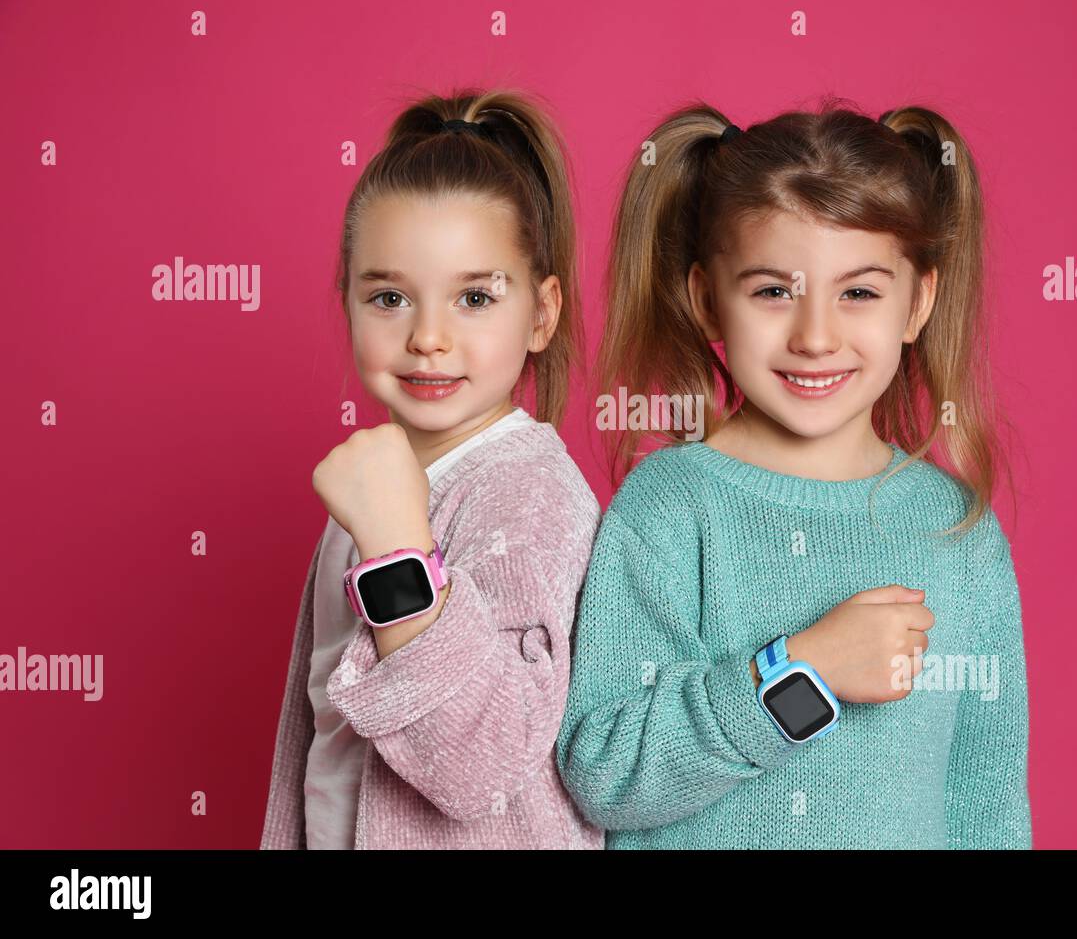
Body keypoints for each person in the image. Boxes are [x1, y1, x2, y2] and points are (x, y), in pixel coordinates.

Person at [556, 99, 1032, 849]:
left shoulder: (959, 532)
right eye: (774, 291)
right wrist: (796, 673)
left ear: (919, 303)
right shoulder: (672, 507)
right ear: (709, 300)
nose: (815, 337)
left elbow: (987, 805)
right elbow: (607, 771)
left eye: (860, 293)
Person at [260, 88, 603, 849]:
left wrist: (396, 550)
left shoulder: (529, 493)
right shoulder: (373, 488)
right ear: (346, 302)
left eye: (475, 298)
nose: (429, 339)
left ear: (541, 314)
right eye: (389, 297)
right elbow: (319, 745)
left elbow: (481, 765)